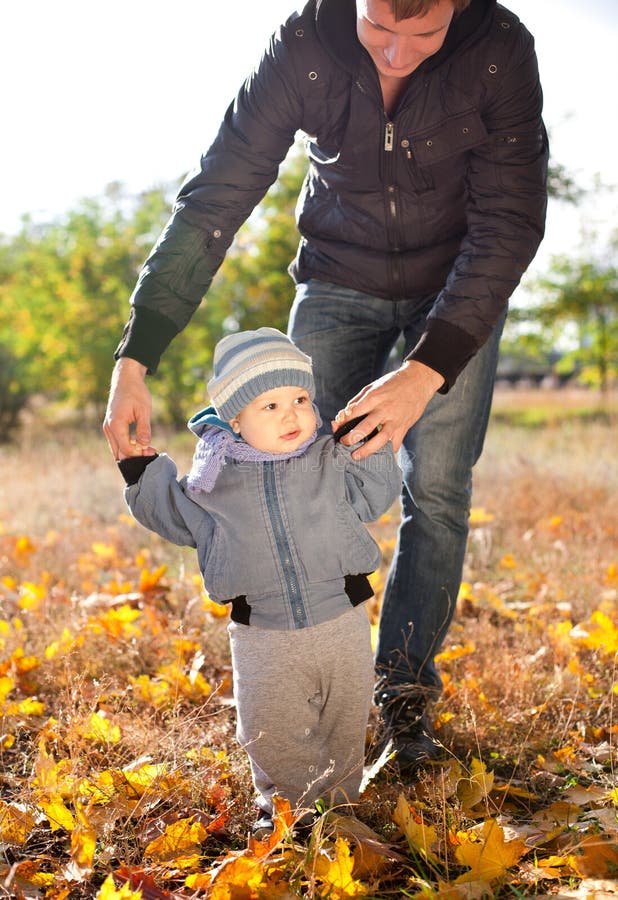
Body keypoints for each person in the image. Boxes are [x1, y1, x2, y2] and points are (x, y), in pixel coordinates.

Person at [104, 0, 548, 770]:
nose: (398, 56)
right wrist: (135, 355)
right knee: (280, 459)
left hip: (459, 293)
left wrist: (427, 371)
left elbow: (510, 220)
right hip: (338, 279)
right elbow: (219, 192)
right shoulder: (303, 43)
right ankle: (289, 680)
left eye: (424, 35)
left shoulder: (499, 49)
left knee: (436, 490)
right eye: (379, 31)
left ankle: (402, 691)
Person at [117, 328, 401, 836]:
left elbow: (374, 495)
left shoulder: (328, 458)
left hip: (342, 621)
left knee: (344, 722)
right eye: (269, 406)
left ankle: (338, 814)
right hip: (263, 635)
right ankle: (290, 817)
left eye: (299, 398)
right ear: (234, 420)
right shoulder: (214, 482)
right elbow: (173, 515)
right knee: (271, 731)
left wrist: (369, 443)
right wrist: (140, 470)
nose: (291, 414)